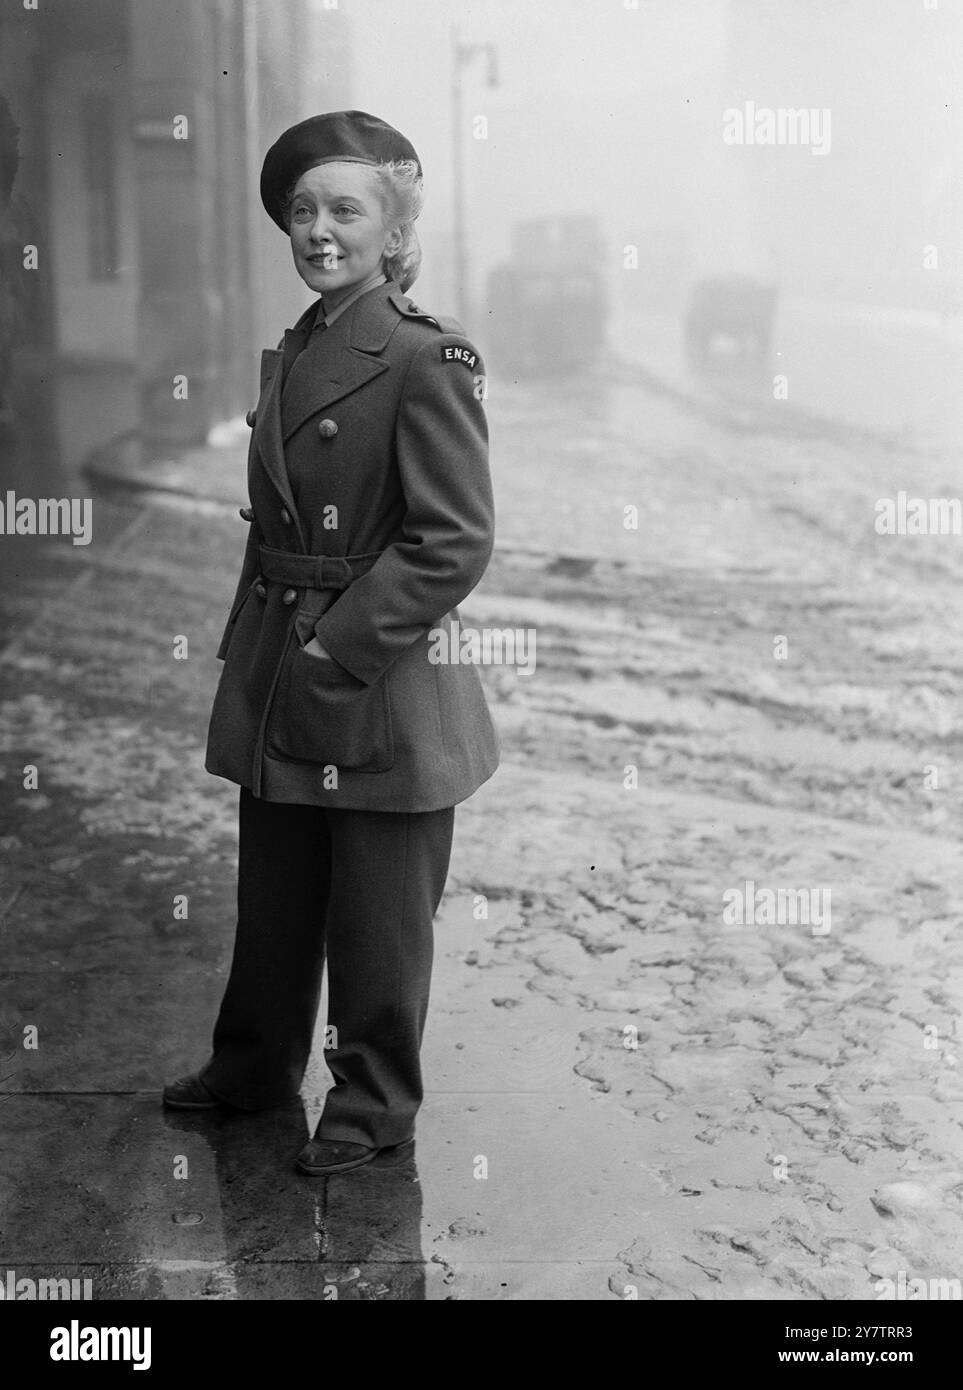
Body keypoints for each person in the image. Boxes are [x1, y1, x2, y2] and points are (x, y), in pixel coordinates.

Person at [163, 111, 499, 1176]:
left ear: (392, 234)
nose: (318, 230)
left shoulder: (425, 357)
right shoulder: (297, 349)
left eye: (345, 210)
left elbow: (454, 541)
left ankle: (370, 1104)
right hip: (284, 663)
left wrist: (337, 648)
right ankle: (254, 1066)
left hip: (379, 676)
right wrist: (270, 653)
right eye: (303, 211)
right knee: (275, 889)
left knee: (378, 915)